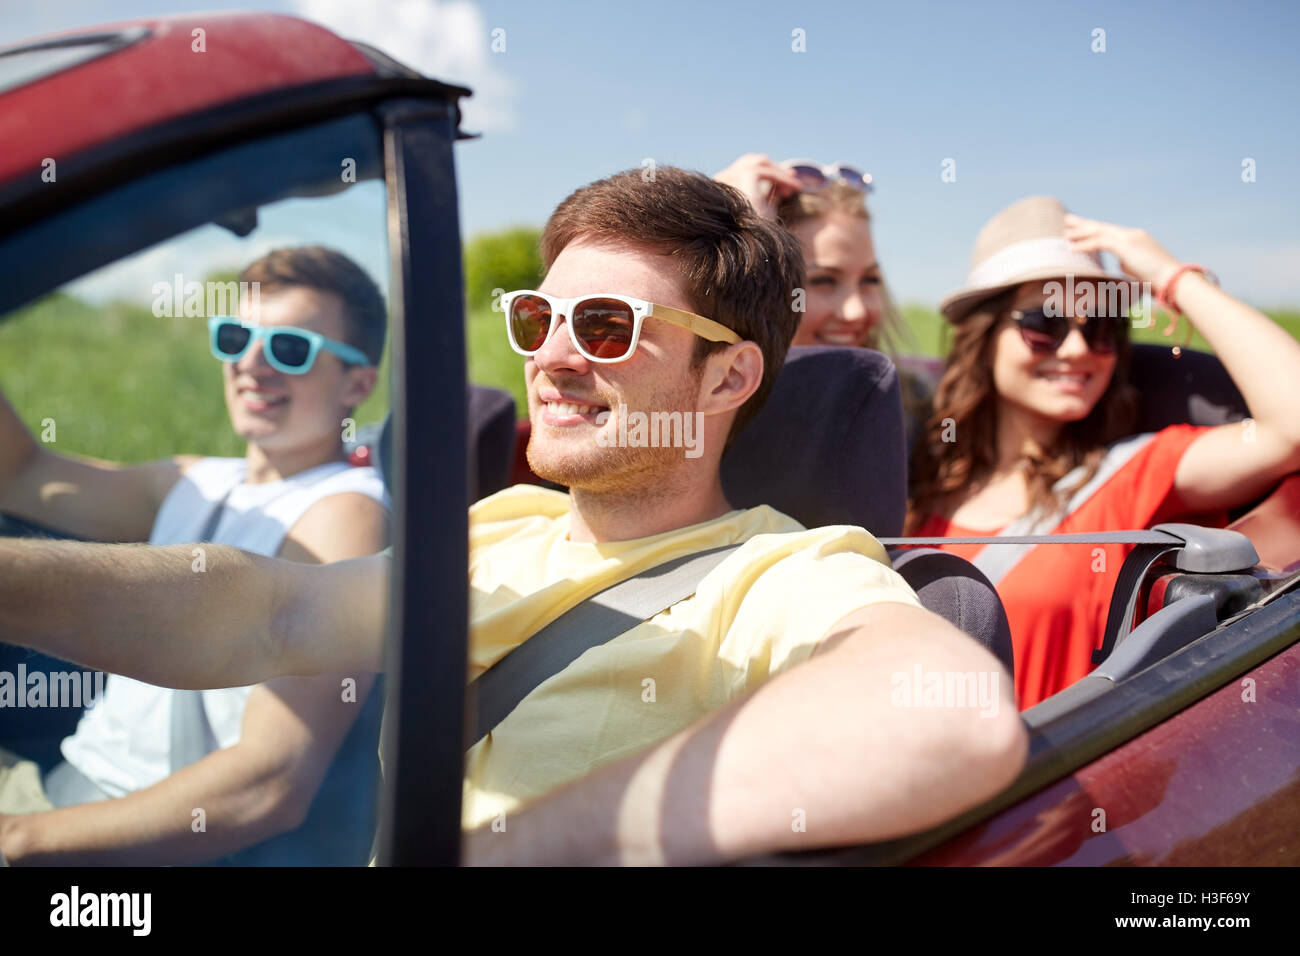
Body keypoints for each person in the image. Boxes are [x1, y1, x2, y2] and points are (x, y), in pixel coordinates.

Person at [0, 168, 1027, 867]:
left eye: (608, 326)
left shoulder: (784, 570)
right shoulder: (503, 525)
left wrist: (502, 850)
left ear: (727, 377)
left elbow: (946, 716)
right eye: (539, 318)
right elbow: (270, 614)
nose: (551, 357)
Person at [0, 246, 391, 864]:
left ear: (358, 383)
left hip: (118, 843)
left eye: (290, 348)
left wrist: (20, 840)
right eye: (236, 338)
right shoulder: (196, 479)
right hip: (60, 787)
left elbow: (271, 781)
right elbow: (22, 473)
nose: (251, 364)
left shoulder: (345, 511)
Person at [907, 196, 1300, 709]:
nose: (1076, 349)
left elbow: (1292, 426)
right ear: (983, 335)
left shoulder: (1134, 472)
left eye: (1099, 328)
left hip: (1050, 759)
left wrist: (1174, 277)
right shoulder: (921, 467)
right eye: (1045, 324)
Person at [713, 154, 930, 440]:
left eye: (869, 280)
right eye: (824, 280)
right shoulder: (706, 416)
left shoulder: (912, 408)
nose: (856, 311)